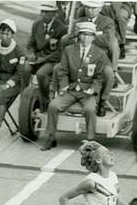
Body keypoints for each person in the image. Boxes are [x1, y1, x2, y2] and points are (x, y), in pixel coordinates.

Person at [40, 21, 109, 150]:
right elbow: (62, 70)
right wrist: (64, 85)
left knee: (89, 109)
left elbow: (99, 77)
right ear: (78, 36)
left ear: (93, 37)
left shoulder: (99, 54)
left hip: (87, 91)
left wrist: (93, 89)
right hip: (71, 89)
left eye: (89, 35)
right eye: (83, 35)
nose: (85, 38)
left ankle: (90, 140)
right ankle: (51, 137)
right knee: (53, 106)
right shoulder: (69, 50)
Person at [63, 1, 117, 116]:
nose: (90, 10)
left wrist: (85, 36)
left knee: (108, 73)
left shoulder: (107, 22)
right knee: (60, 69)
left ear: (100, 8)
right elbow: (71, 39)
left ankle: (102, 102)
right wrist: (95, 35)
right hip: (79, 57)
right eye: (87, 8)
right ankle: (65, 97)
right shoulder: (78, 21)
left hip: (99, 58)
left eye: (93, 8)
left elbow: (107, 40)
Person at [0, 18, 24, 142]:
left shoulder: (18, 51)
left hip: (12, 84)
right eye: (2, 33)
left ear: (12, 35)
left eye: (7, 33)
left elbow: (19, 73)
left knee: (0, 97)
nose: (4, 36)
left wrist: (7, 85)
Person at [22, 3, 68, 106]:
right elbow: (31, 43)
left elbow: (60, 52)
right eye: (42, 11)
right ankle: (24, 97)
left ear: (54, 13)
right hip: (37, 58)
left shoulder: (62, 28)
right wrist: (31, 53)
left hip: (52, 60)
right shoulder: (36, 25)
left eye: (46, 12)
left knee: (41, 74)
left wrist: (43, 59)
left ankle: (45, 100)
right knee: (24, 69)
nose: (43, 14)